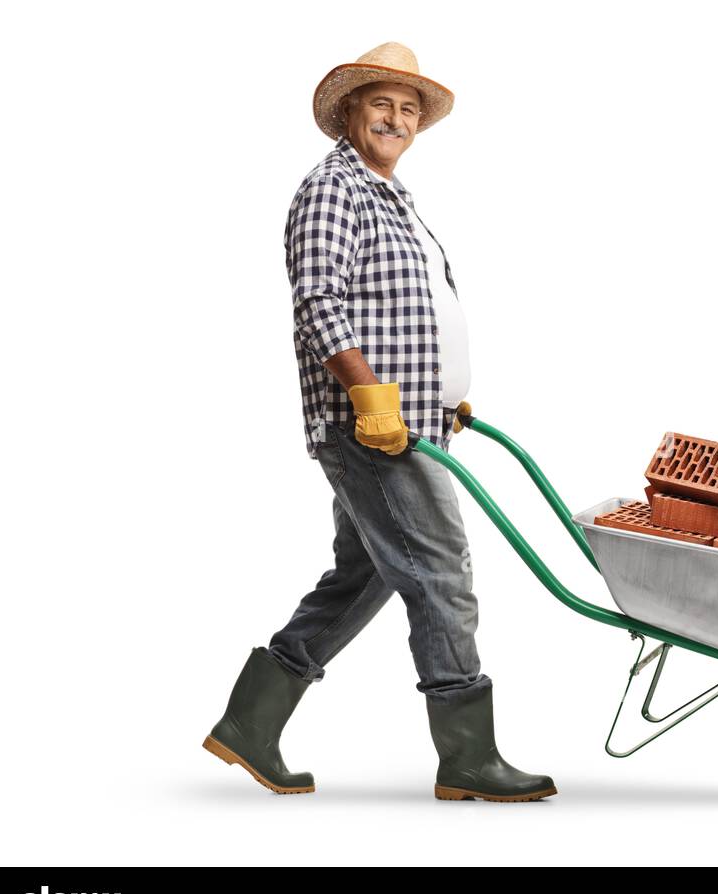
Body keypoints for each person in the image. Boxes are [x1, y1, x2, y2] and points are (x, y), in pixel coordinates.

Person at [202, 42, 556, 803]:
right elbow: (318, 304)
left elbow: (403, 309)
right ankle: (467, 755)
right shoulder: (335, 188)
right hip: (372, 429)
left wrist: (442, 391)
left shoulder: (390, 193)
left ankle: (248, 725)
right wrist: (371, 397)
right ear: (350, 114)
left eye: (407, 109)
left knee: (364, 575)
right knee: (440, 575)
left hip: (412, 420)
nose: (395, 119)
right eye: (380, 105)